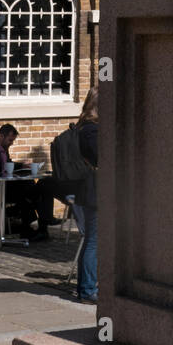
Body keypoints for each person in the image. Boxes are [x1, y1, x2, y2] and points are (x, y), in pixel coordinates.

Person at [0, 124, 58, 242]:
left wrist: (22, 166)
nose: (12, 143)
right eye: (10, 140)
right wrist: (4, 172)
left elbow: (8, 164)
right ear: (1, 136)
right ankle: (38, 222)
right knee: (28, 193)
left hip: (3, 187)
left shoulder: (2, 148)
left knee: (29, 189)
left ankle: (32, 226)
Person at [74, 88, 98, 303]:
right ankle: (87, 290)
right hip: (94, 192)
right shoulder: (90, 130)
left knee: (94, 240)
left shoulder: (88, 128)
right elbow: (100, 157)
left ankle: (88, 286)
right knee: (94, 241)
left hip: (95, 190)